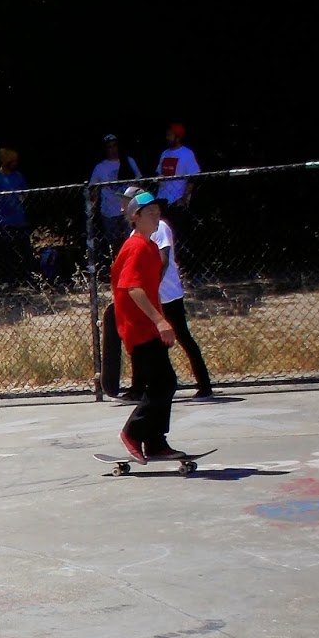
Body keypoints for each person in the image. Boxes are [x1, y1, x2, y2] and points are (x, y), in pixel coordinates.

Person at [111, 189, 183, 462]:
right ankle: (133, 432)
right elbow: (132, 288)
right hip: (139, 328)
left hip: (149, 327)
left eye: (157, 212)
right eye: (150, 213)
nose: (156, 217)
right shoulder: (136, 247)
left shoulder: (150, 246)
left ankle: (155, 443)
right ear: (135, 217)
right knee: (162, 383)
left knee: (163, 383)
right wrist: (160, 320)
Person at [152, 208, 213, 400]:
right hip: (152, 295)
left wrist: (153, 285)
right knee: (152, 341)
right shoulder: (135, 232)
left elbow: (163, 261)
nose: (123, 207)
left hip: (168, 293)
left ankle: (204, 384)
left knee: (182, 336)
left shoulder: (160, 227)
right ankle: (157, 385)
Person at [0, 147, 32, 284]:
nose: (16, 163)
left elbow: (25, 192)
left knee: (25, 250)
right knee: (6, 253)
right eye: (13, 161)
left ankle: (27, 278)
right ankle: (8, 280)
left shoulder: (18, 176)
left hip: (19, 219)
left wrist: (21, 198)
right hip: (3, 221)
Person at [89, 134, 142, 256]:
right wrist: (92, 207)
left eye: (114, 146)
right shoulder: (100, 167)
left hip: (128, 210)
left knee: (131, 240)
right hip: (109, 212)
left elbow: (138, 181)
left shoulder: (128, 161)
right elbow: (95, 189)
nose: (113, 149)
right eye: (109, 147)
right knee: (114, 244)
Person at [155, 123, 199, 227]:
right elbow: (159, 172)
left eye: (170, 135)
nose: (167, 138)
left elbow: (193, 177)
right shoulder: (164, 153)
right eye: (167, 135)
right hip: (162, 199)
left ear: (178, 137)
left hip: (176, 200)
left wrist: (184, 199)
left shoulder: (187, 153)